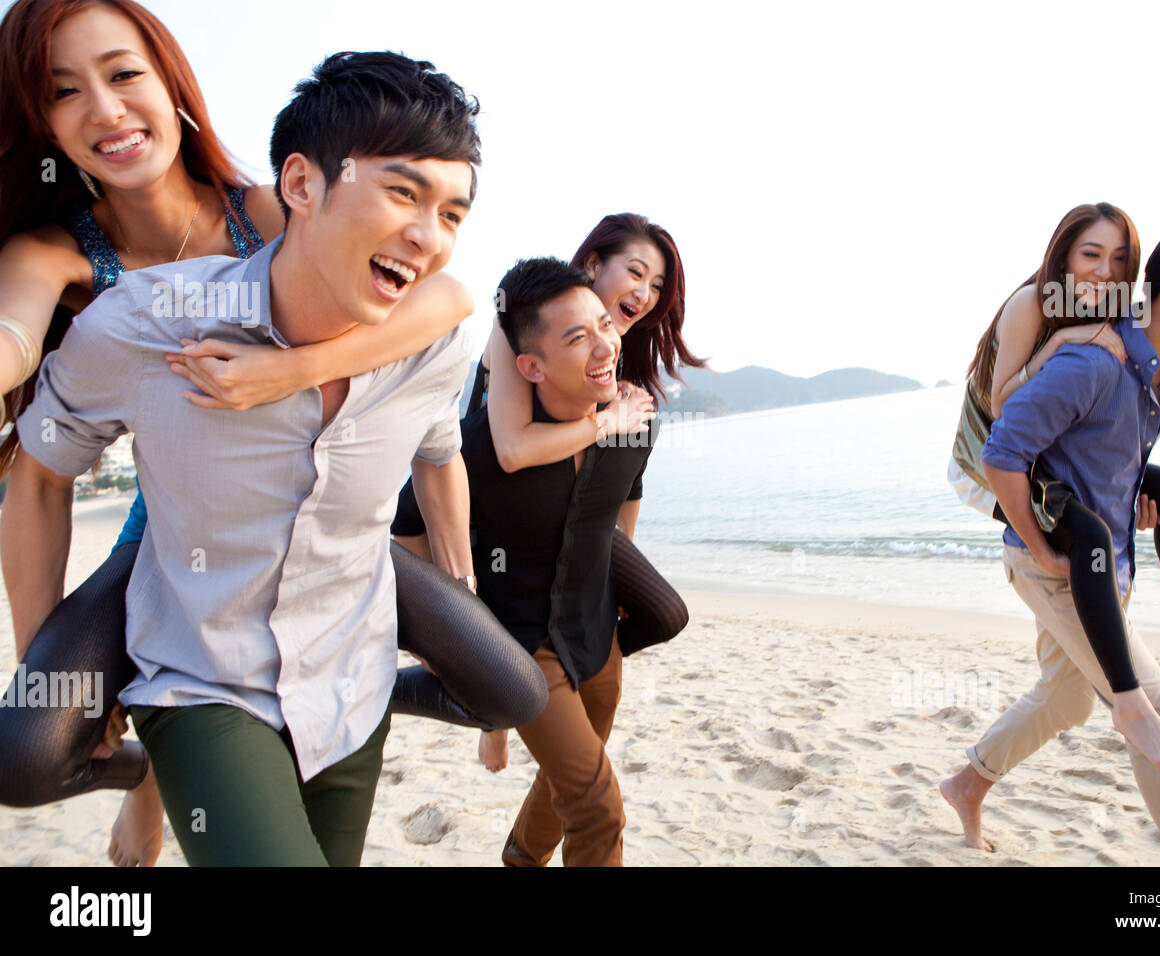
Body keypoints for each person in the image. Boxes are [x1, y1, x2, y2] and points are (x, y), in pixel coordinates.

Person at [0, 0, 543, 866]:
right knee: (25, 751)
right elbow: (26, 402)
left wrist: (290, 373)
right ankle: (147, 777)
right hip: (191, 596)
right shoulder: (120, 304)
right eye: (66, 91)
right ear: (301, 186)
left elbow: (443, 371)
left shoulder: (408, 308)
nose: (105, 109)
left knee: (511, 686)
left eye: (124, 73)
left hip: (348, 633)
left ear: (169, 83)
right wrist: (73, 675)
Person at [941, 219, 1160, 864]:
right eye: (1090, 254)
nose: (1103, 268)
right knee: (1158, 710)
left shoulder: (1159, 339)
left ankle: (967, 784)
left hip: (1094, 546)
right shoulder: (1072, 336)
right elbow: (1001, 443)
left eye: (1118, 257)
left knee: (1065, 699)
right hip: (1051, 551)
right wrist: (1062, 347)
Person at [398, 257, 654, 865]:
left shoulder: (632, 424)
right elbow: (410, 528)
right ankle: (450, 702)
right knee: (598, 808)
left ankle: (520, 858)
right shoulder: (481, 446)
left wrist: (620, 593)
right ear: (531, 367)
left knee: (574, 772)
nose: (604, 344)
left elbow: (622, 516)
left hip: (597, 637)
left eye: (603, 325)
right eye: (577, 337)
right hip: (523, 645)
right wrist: (443, 641)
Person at [467, 213, 703, 771]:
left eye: (658, 286)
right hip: (507, 495)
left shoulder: (613, 352)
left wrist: (610, 575)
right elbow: (511, 448)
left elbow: (627, 479)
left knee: (665, 612)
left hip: (581, 508)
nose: (645, 295)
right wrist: (607, 418)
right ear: (595, 263)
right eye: (636, 273)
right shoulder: (524, 318)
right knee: (504, 609)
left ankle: (575, 662)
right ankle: (502, 707)